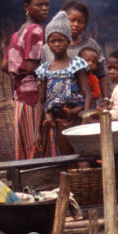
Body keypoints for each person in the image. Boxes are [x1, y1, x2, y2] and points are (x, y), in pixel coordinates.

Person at [34, 10, 92, 155]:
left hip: (77, 118)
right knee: (67, 158)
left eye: (61, 40)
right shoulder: (45, 70)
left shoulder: (76, 64)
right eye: (53, 41)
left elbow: (87, 94)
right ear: (48, 43)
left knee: (83, 156)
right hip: (59, 121)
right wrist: (37, 132)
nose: (57, 44)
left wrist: (85, 119)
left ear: (68, 40)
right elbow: (41, 101)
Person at [3, 0, 50, 159]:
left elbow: (5, 65)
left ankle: (25, 183)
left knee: (25, 148)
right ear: (27, 7)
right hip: (35, 98)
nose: (44, 9)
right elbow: (32, 66)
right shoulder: (37, 30)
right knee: (39, 147)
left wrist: (19, 76)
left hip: (20, 99)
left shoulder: (18, 33)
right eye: (39, 5)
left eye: (46, 4)